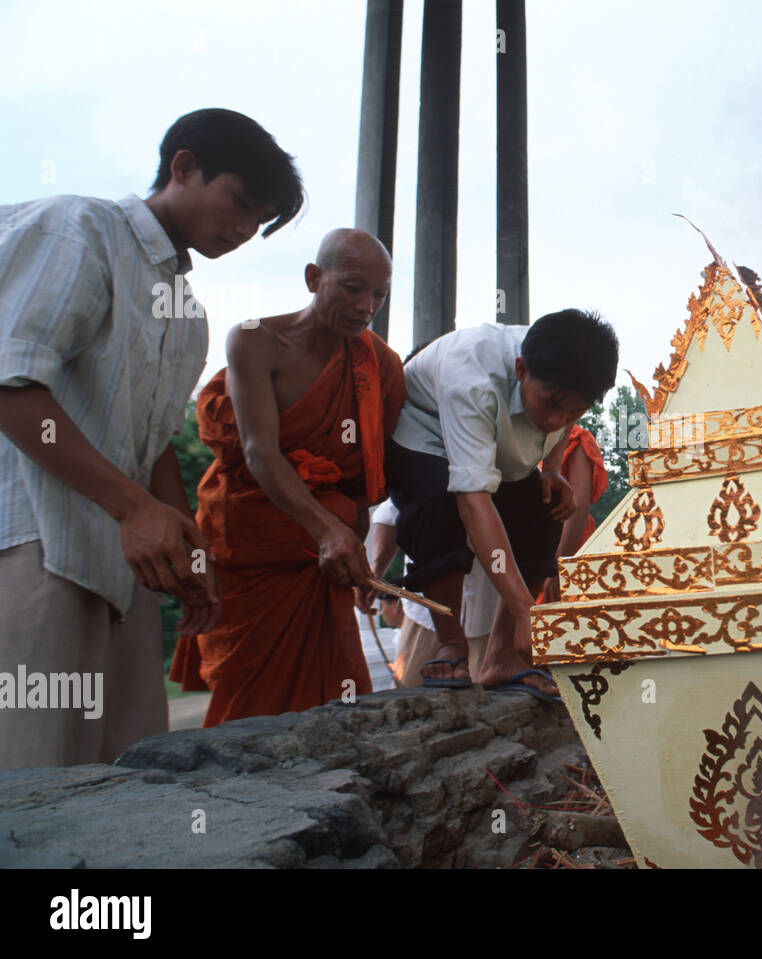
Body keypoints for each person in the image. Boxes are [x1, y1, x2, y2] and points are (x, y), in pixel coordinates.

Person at [0, 109, 302, 770]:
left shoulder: (187, 313)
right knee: (33, 775)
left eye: (260, 221)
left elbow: (153, 441)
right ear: (183, 167)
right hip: (36, 540)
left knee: (124, 770)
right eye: (240, 203)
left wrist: (187, 548)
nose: (245, 229)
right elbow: (12, 385)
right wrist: (134, 509)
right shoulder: (78, 229)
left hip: (123, 561)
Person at [169, 229, 407, 726]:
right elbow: (258, 451)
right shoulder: (256, 340)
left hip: (325, 563)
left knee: (330, 705)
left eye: (379, 295)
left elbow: (364, 481)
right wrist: (326, 532)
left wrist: (357, 550)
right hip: (256, 541)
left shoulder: (377, 364)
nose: (367, 307)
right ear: (313, 278)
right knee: (245, 701)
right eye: (353, 288)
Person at [387, 310, 618, 700]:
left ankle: (502, 657)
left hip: (492, 443)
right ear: (521, 369)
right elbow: (472, 503)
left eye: (574, 411)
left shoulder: (560, 379)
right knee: (438, 505)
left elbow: (562, 424)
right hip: (424, 431)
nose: (556, 419)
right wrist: (527, 608)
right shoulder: (472, 380)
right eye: (551, 403)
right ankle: (451, 645)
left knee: (545, 508)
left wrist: (553, 469)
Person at [361, 500, 502, 687]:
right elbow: (391, 513)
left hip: (490, 615)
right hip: (426, 617)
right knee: (409, 700)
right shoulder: (422, 474)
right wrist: (374, 574)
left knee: (486, 705)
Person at [537, 423, 608, 604]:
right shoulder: (528, 442)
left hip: (566, 547)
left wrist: (558, 567)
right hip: (533, 550)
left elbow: (580, 506)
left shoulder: (576, 440)